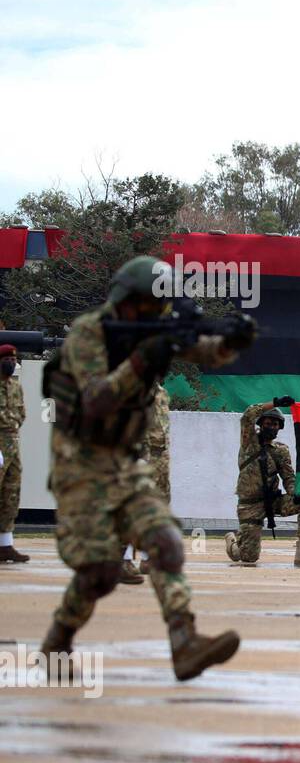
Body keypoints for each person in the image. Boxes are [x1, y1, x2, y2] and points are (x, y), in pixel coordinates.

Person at [37, 255, 255, 680]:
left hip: (125, 462)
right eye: (149, 305)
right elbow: (97, 399)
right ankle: (56, 641)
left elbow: (204, 352)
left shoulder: (156, 330)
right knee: (100, 571)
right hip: (81, 465)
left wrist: (231, 340)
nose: (157, 312)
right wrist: (142, 360)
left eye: (162, 305)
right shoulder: (90, 333)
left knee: (167, 543)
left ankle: (184, 643)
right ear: (126, 300)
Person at [225, 399, 300, 567]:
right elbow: (248, 415)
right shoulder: (249, 442)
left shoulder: (280, 450)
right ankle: (233, 542)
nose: (272, 427)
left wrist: (295, 493)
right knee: (248, 557)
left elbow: (288, 477)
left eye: (276, 424)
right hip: (250, 506)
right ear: (261, 424)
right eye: (268, 423)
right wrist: (275, 403)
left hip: (273, 502)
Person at [122, 383, 171, 583]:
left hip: (160, 462)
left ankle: (148, 559)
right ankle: (124, 559)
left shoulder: (162, 393)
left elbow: (162, 430)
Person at [0, 342, 30, 563]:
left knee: (11, 492)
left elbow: (21, 413)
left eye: (13, 360)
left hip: (13, 441)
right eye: (6, 360)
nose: (11, 363)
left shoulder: (15, 386)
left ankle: (5, 544)